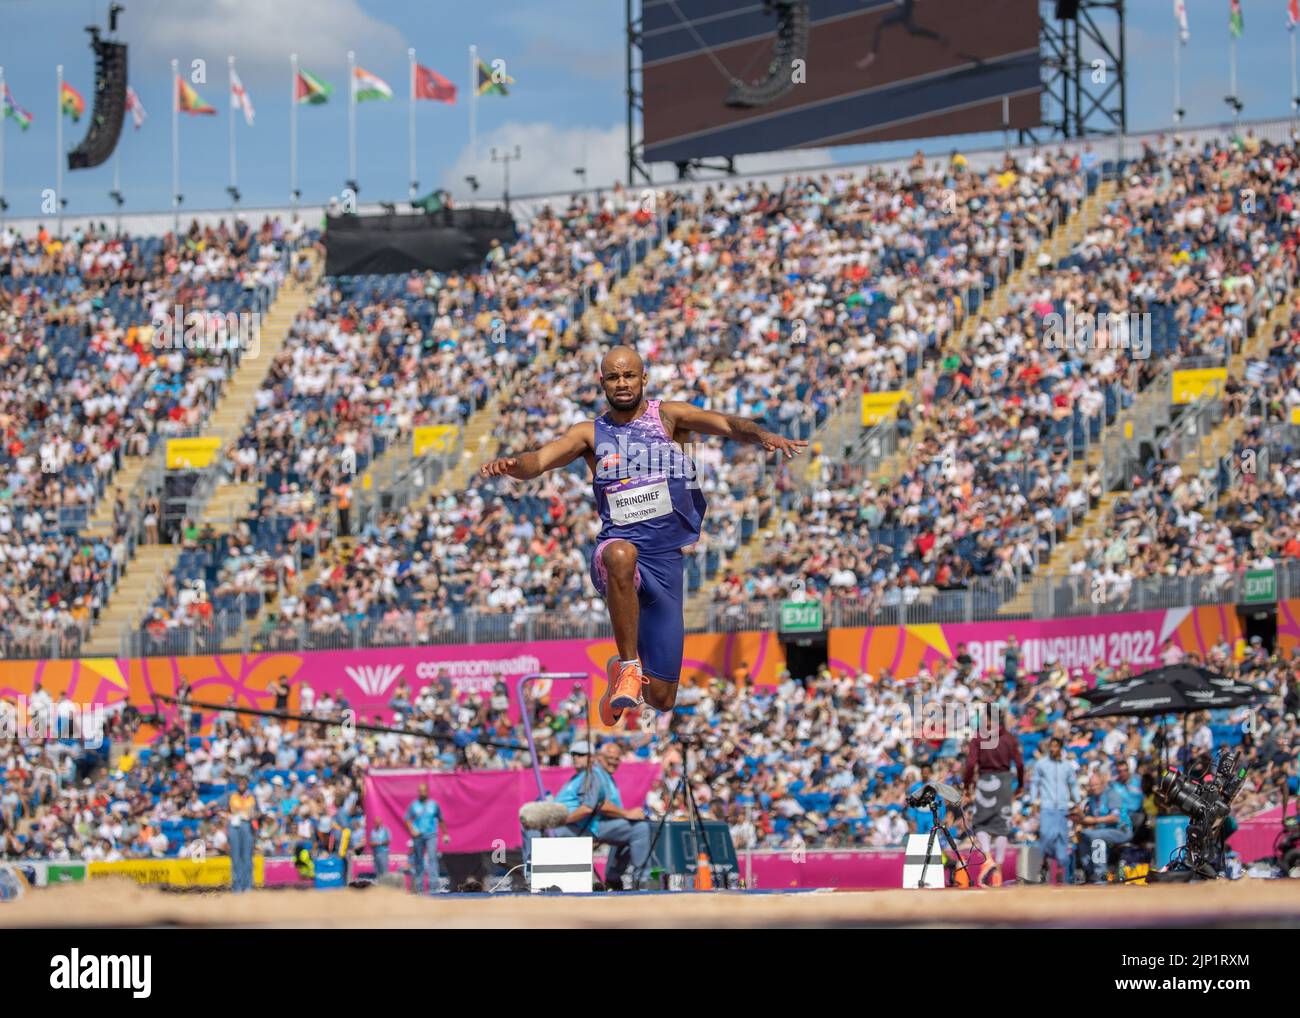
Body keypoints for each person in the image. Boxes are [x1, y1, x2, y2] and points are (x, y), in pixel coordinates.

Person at [480, 345, 806, 724]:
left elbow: (727, 424)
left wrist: (762, 435)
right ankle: (630, 666)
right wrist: (513, 465)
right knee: (621, 555)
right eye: (614, 377)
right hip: (615, 553)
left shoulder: (668, 418)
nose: (622, 383)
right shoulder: (589, 433)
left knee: (663, 699)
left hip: (665, 562)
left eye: (629, 375)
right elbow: (538, 461)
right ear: (601, 382)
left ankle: (618, 668)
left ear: (643, 379)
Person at [522, 741, 656, 890]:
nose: (576, 758)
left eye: (580, 755)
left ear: (591, 757)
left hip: (582, 824)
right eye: (574, 755)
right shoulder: (592, 774)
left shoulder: (594, 775)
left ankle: (622, 878)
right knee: (639, 829)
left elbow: (591, 805)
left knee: (637, 828)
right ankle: (530, 876)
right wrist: (627, 813)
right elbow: (596, 805)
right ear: (598, 758)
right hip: (582, 825)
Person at [961, 712, 1025, 887]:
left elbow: (970, 763)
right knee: (1002, 827)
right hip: (1004, 781)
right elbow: (1019, 764)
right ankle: (998, 868)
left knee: (981, 824)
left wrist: (967, 787)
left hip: (986, 780)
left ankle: (988, 858)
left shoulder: (979, 738)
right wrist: (1019, 785)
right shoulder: (1009, 738)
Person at [1030, 736, 1078, 884]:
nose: (1053, 749)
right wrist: (1033, 801)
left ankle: (1059, 870)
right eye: (1051, 746)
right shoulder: (1042, 764)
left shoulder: (1067, 766)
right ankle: (1045, 861)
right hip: (1047, 806)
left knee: (1062, 839)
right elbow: (1035, 783)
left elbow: (1073, 784)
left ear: (1061, 748)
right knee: (1045, 835)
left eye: (1056, 746)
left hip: (1062, 808)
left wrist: (1077, 801)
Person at [1071, 770, 1132, 883]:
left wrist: (1094, 820)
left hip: (1121, 830)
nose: (1093, 788)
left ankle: (1101, 875)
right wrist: (1079, 819)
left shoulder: (1112, 794)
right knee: (1083, 835)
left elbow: (1115, 817)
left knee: (1096, 835)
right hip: (1103, 831)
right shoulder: (1092, 799)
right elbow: (1089, 820)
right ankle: (1089, 872)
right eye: (1091, 785)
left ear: (1103, 784)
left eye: (1096, 785)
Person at [404, 783, 448, 894]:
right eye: (420, 790)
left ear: (427, 791)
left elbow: (441, 819)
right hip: (418, 836)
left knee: (432, 858)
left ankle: (434, 887)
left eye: (424, 790)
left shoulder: (434, 805)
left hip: (431, 835)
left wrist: (445, 834)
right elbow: (407, 819)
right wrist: (412, 830)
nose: (422, 792)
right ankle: (419, 887)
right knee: (418, 860)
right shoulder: (414, 805)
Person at [226, 776, 256, 893]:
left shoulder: (252, 796)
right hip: (234, 826)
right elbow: (222, 806)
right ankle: (236, 887)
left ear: (247, 784)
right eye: (239, 783)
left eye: (244, 783)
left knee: (247, 857)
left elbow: (258, 811)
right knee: (235, 857)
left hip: (247, 825)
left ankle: (248, 886)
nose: (241, 785)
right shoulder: (231, 795)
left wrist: (254, 815)